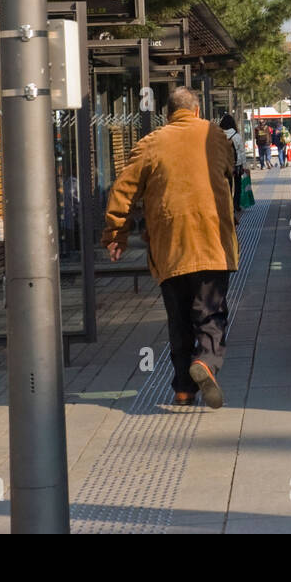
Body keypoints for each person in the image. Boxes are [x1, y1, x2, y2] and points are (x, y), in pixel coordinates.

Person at [101, 87, 239, 408]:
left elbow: (122, 192)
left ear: (167, 115)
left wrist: (115, 236)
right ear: (196, 111)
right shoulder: (215, 135)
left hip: (170, 248)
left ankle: (183, 390)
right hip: (211, 242)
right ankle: (205, 361)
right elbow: (228, 169)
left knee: (177, 319)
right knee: (209, 313)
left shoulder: (150, 144)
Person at [219, 113, 247, 223]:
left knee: (228, 186)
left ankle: (229, 205)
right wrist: (244, 165)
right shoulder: (236, 136)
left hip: (224, 165)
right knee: (238, 185)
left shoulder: (219, 135)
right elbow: (241, 152)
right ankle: (236, 204)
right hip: (237, 164)